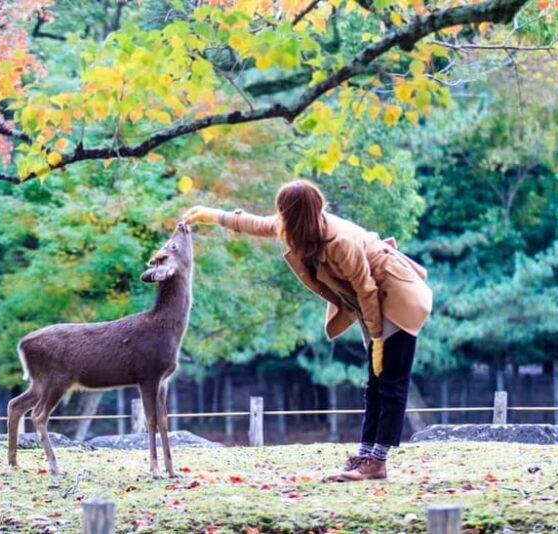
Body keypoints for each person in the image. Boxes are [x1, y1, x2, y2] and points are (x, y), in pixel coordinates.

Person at [183, 180, 432, 482]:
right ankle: (366, 456)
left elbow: (366, 289)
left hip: (397, 298)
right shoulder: (296, 226)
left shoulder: (339, 241)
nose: (278, 216)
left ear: (292, 212)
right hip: (374, 302)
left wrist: (377, 336)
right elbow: (258, 224)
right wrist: (212, 215)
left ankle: (376, 463)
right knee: (375, 383)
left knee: (389, 383)